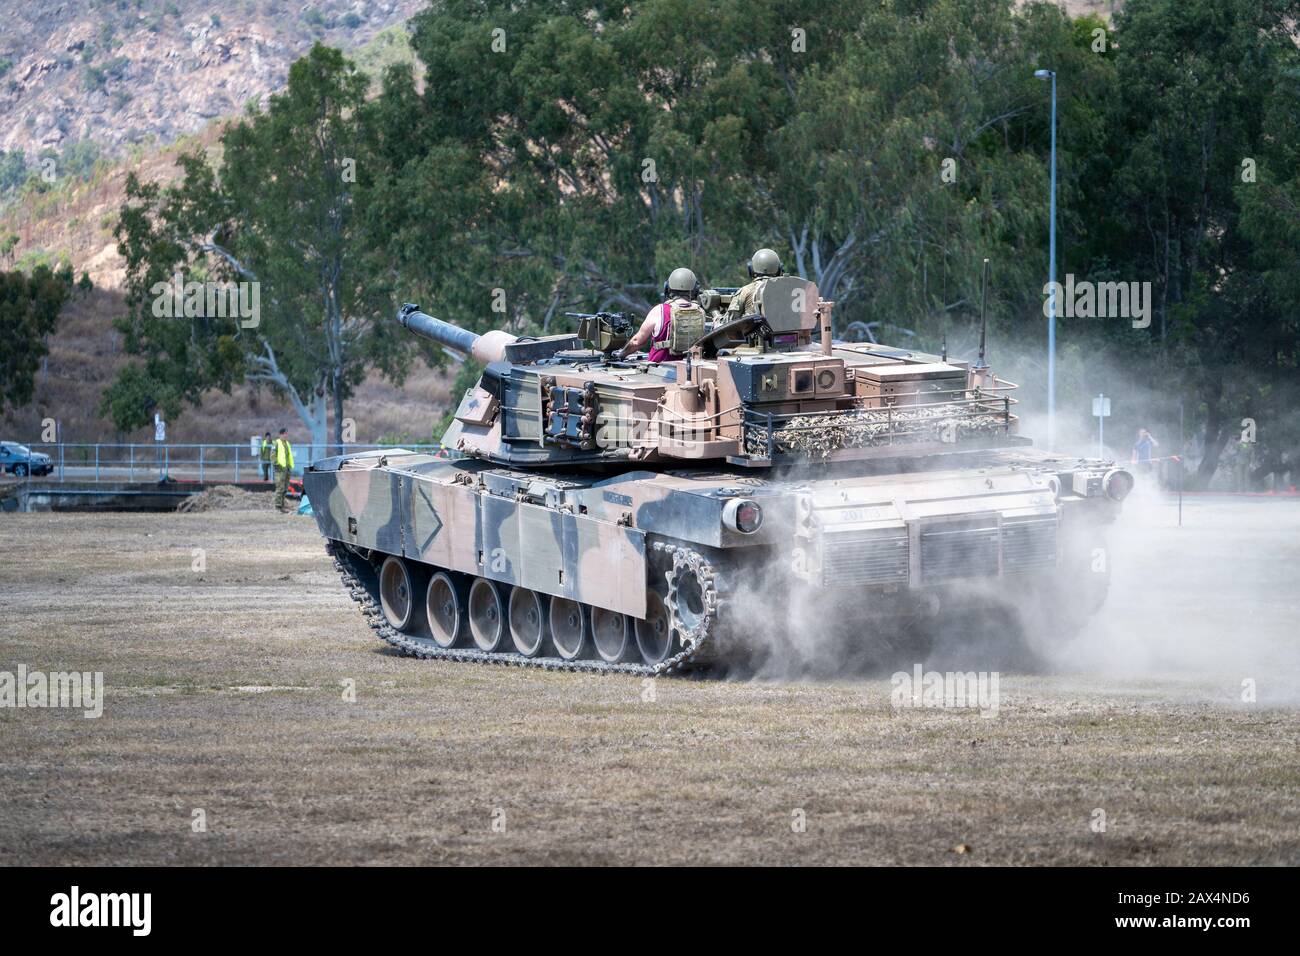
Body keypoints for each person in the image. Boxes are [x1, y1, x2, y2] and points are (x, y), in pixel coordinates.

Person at [618, 267, 706, 362]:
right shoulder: (700, 311)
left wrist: (621, 355)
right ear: (695, 290)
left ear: (668, 288)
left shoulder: (660, 310)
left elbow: (637, 342)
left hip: (660, 369)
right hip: (689, 369)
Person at [725, 247, 783, 321]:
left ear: (751, 269)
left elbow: (729, 321)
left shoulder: (746, 291)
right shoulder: (786, 290)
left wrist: (715, 313)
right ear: (779, 269)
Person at [272, 427, 294, 512]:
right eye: (284, 433)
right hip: (280, 470)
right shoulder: (276, 443)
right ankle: (278, 506)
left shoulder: (287, 443)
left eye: (286, 433)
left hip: (287, 469)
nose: (286, 435)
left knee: (285, 488)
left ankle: (282, 505)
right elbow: (273, 456)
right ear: (280, 434)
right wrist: (277, 465)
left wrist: (289, 466)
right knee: (280, 488)